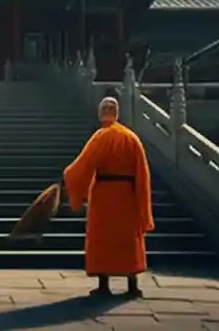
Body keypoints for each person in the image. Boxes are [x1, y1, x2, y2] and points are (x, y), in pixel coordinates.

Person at [62, 95, 155, 297]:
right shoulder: (132, 138)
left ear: (101, 113)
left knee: (102, 238)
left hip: (104, 194)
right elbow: (143, 173)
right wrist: (142, 200)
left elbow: (83, 165)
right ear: (117, 113)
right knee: (129, 238)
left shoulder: (101, 136)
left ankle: (104, 284)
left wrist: (69, 178)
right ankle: (132, 285)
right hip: (128, 195)